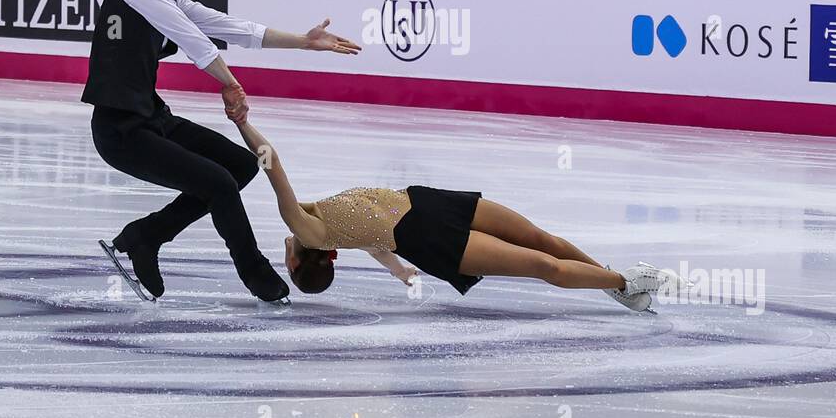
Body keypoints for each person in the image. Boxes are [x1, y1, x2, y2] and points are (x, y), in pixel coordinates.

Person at [85, 0, 361, 302]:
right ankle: (254, 272)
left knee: (239, 166)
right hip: (119, 128)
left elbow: (225, 25)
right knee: (218, 183)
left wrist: (303, 42)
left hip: (151, 116)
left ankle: (146, 235)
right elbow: (188, 35)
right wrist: (230, 83)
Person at [230, 118, 677, 312]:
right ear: (296, 262)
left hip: (430, 202)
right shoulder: (304, 227)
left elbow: (370, 240)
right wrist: (242, 123)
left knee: (540, 239)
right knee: (543, 264)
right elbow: (273, 164)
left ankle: (609, 280)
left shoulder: (325, 234)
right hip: (428, 235)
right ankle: (624, 281)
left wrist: (399, 272)